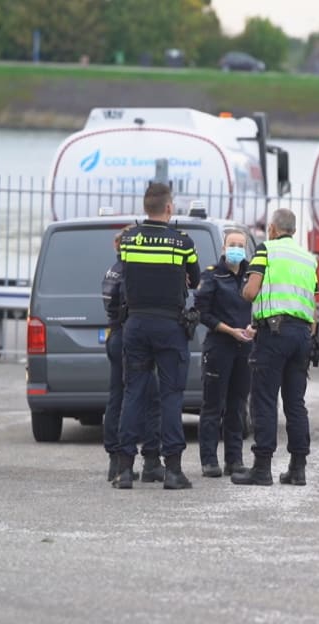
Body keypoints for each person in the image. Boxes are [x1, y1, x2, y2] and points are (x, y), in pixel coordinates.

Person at [112, 182, 201, 490]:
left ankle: (124, 470)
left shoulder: (129, 240)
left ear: (145, 206)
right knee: (171, 396)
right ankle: (173, 470)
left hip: (135, 324)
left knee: (133, 393)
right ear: (168, 207)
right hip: (169, 327)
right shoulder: (182, 243)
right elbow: (196, 278)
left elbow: (126, 270)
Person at [232, 208, 318, 487]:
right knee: (296, 404)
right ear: (293, 229)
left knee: (265, 400)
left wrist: (245, 287)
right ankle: (298, 468)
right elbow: (313, 307)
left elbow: (251, 291)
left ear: (272, 229)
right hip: (303, 335)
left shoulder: (266, 250)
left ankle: (262, 468)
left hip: (274, 334)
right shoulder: (308, 259)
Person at [102, 225, 164, 484]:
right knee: (150, 397)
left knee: (117, 396)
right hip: (131, 337)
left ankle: (115, 460)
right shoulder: (130, 271)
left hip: (116, 334)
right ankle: (150, 459)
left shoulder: (112, 270)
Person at [192, 228, 257, 478]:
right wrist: (230, 330)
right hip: (220, 345)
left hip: (245, 347)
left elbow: (259, 303)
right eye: (232, 244)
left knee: (237, 405)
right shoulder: (212, 276)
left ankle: (234, 460)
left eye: (240, 244)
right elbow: (202, 312)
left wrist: (253, 328)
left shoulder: (251, 275)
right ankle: (209, 461)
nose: (236, 248)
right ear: (223, 248)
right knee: (212, 406)